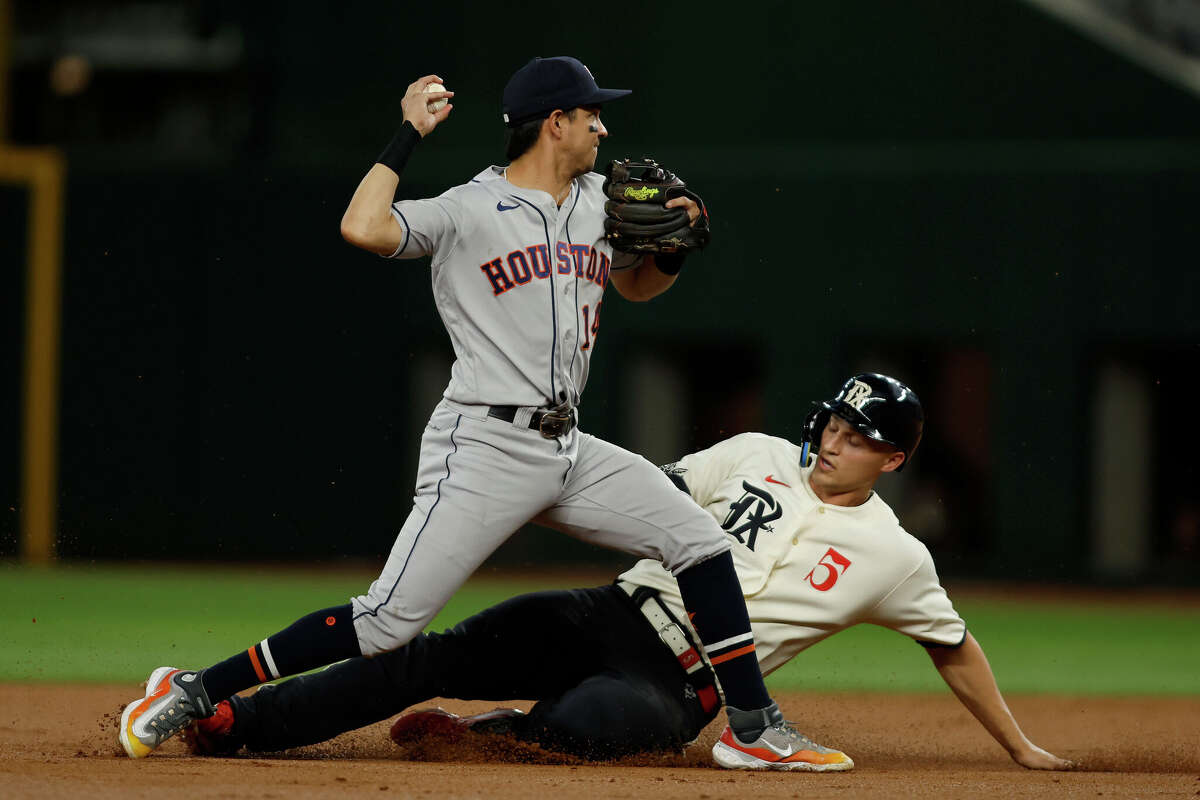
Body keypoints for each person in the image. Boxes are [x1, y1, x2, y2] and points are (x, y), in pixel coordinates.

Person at [118, 56, 827, 771]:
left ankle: (752, 726)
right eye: (591, 116)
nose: (603, 128)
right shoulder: (468, 209)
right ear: (555, 123)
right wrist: (408, 132)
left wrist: (671, 250)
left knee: (699, 543)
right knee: (387, 621)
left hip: (568, 448)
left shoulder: (596, 203)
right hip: (486, 444)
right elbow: (363, 226)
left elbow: (638, 289)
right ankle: (195, 687)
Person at [183, 374, 1072, 771]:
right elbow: (655, 497)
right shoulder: (755, 452)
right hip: (609, 611)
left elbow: (952, 645)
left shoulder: (897, 555)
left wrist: (1019, 746)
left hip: (683, 682)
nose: (837, 442)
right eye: (835, 424)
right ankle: (238, 722)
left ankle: (497, 732)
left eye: (861, 437)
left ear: (894, 459)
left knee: (595, 723)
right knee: (425, 653)